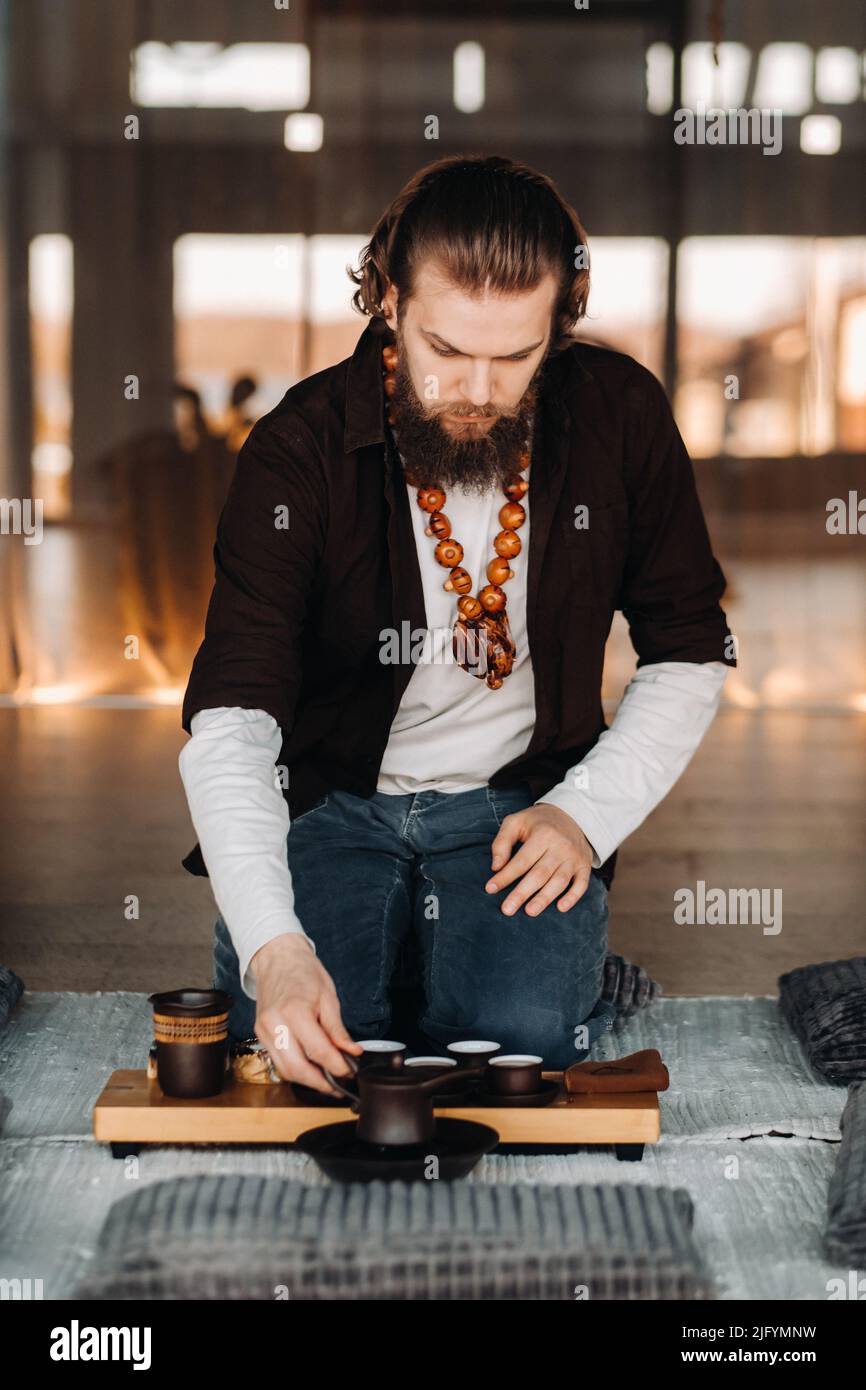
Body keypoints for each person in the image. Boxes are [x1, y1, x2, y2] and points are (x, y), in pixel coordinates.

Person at [178, 154, 735, 1095]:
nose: (474, 391)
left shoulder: (622, 415)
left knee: (518, 1042)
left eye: (514, 358)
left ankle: (478, 957)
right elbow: (232, 720)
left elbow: (688, 650)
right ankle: (391, 949)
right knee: (307, 1045)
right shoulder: (296, 449)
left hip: (515, 803)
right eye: (446, 350)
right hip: (330, 802)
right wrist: (276, 950)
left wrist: (582, 817)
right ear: (389, 301)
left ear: (561, 322)